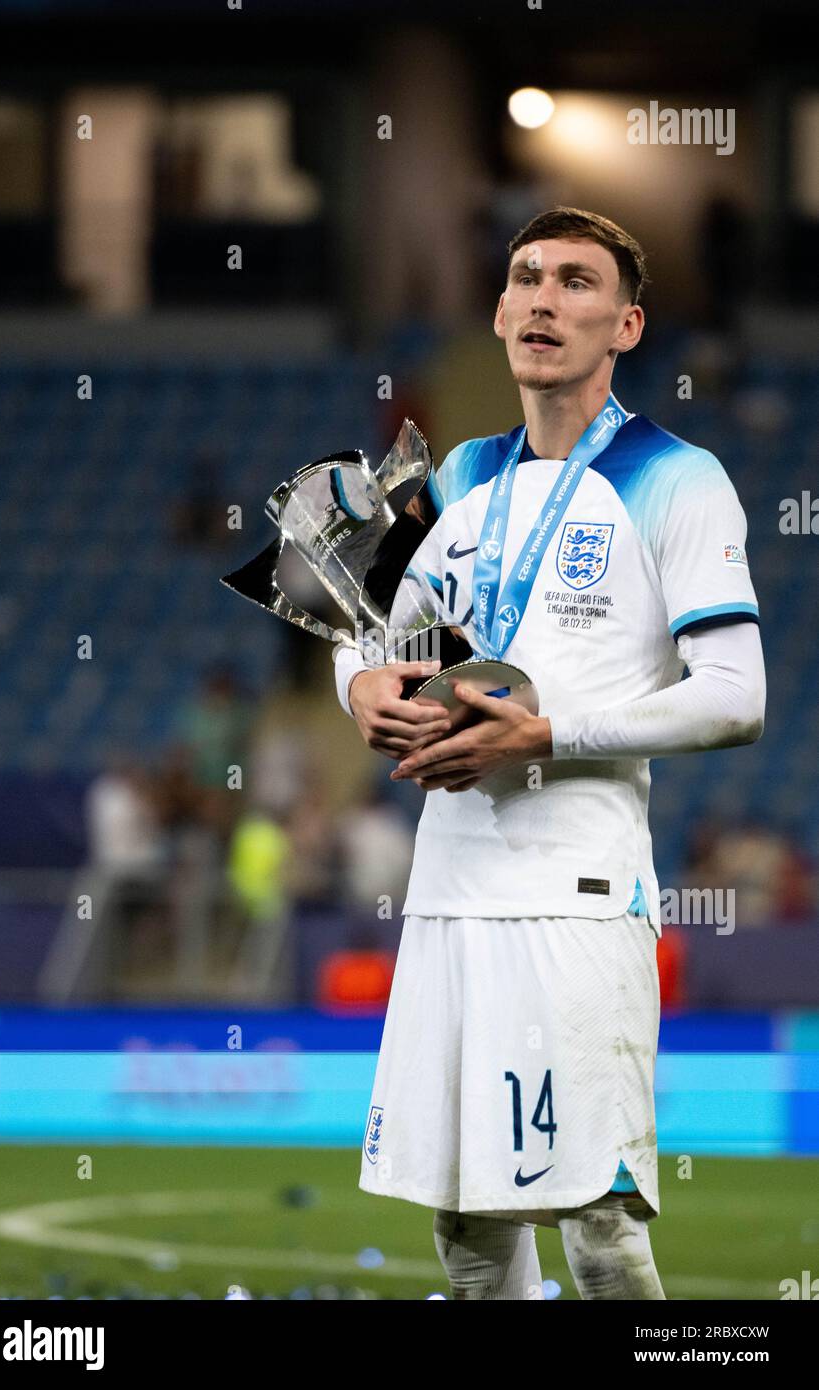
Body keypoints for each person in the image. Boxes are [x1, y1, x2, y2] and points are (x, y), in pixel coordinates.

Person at [333, 207, 766, 1300]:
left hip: (576, 894)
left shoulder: (678, 475)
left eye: (576, 282)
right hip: (448, 887)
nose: (541, 298)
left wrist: (546, 733)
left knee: (601, 1232)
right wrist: (365, 690)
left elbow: (734, 696)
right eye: (524, 277)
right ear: (495, 310)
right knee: (466, 1234)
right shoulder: (456, 475)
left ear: (624, 324)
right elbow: (365, 635)